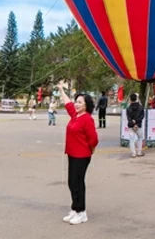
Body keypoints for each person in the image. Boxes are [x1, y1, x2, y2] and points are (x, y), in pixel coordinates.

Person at [57, 83, 98, 226]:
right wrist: (61, 90)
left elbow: (94, 139)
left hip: (82, 156)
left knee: (78, 183)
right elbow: (67, 103)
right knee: (72, 182)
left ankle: (82, 212)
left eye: (80, 102)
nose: (76, 104)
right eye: (76, 101)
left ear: (86, 105)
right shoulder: (75, 115)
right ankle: (75, 209)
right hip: (72, 154)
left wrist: (91, 150)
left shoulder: (87, 118)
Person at [126, 93, 145, 157]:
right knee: (140, 138)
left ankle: (133, 153)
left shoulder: (128, 108)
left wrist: (133, 123)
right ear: (137, 99)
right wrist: (136, 123)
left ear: (130, 99)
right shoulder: (140, 107)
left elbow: (128, 118)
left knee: (131, 139)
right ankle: (139, 152)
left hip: (131, 126)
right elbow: (142, 116)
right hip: (138, 125)